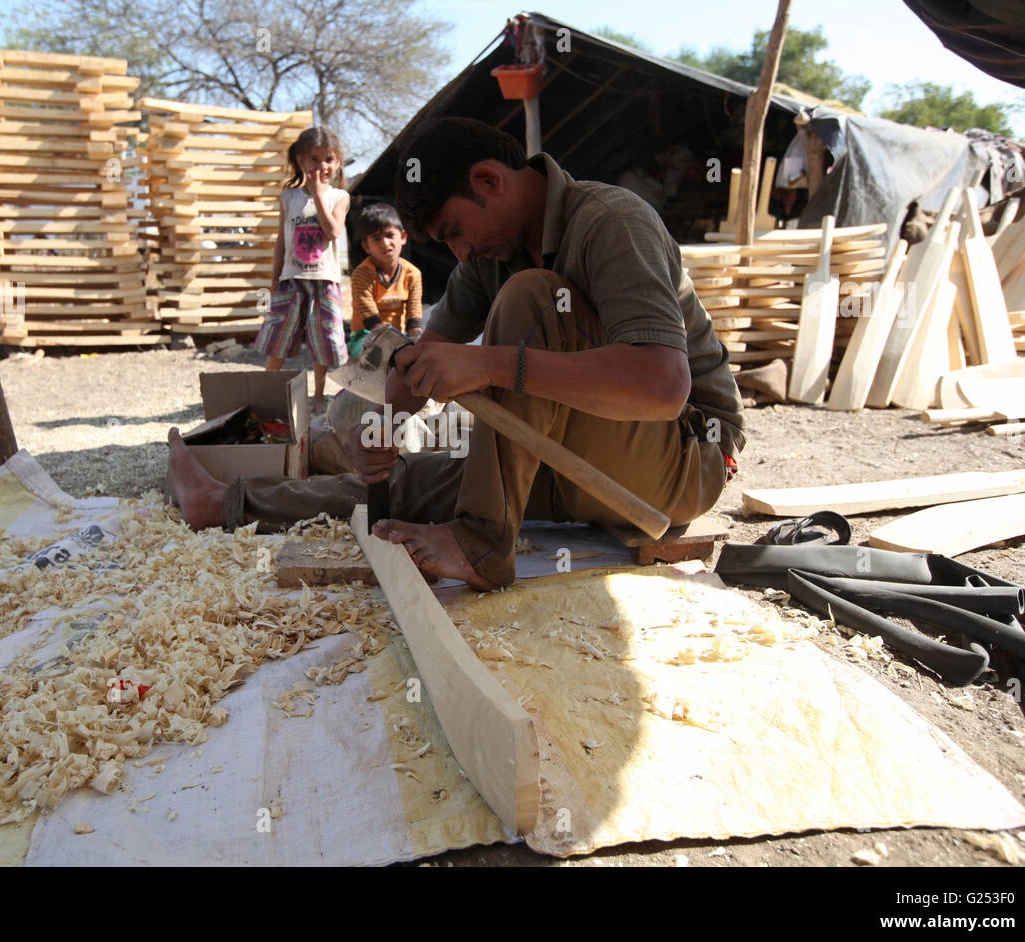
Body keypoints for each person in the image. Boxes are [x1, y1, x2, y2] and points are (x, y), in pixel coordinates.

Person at [169, 118, 745, 590]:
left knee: (531, 296)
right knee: (405, 491)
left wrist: (491, 364)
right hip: (580, 461)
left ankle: (479, 545)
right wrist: (386, 425)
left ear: (490, 181)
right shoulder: (487, 256)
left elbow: (664, 388)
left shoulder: (610, 222)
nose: (460, 251)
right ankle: (223, 503)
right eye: (445, 243)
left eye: (454, 230)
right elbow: (422, 359)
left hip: (680, 465)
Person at [254, 126, 351, 415]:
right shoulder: (289, 198)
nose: (322, 166)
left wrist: (320, 195)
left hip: (325, 281)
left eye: (329, 159)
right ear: (300, 161)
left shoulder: (339, 197)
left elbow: (332, 232)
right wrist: (274, 279)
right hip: (291, 280)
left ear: (337, 163)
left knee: (323, 340)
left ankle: (318, 395)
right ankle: (268, 392)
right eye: (314, 159)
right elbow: (281, 241)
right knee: (279, 336)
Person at [350, 202, 423, 338]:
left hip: (397, 335)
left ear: (403, 237)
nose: (385, 243)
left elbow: (414, 314)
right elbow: (369, 315)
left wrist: (416, 340)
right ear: (366, 247)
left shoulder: (413, 274)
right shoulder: (362, 274)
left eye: (390, 235)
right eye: (376, 239)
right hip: (367, 334)